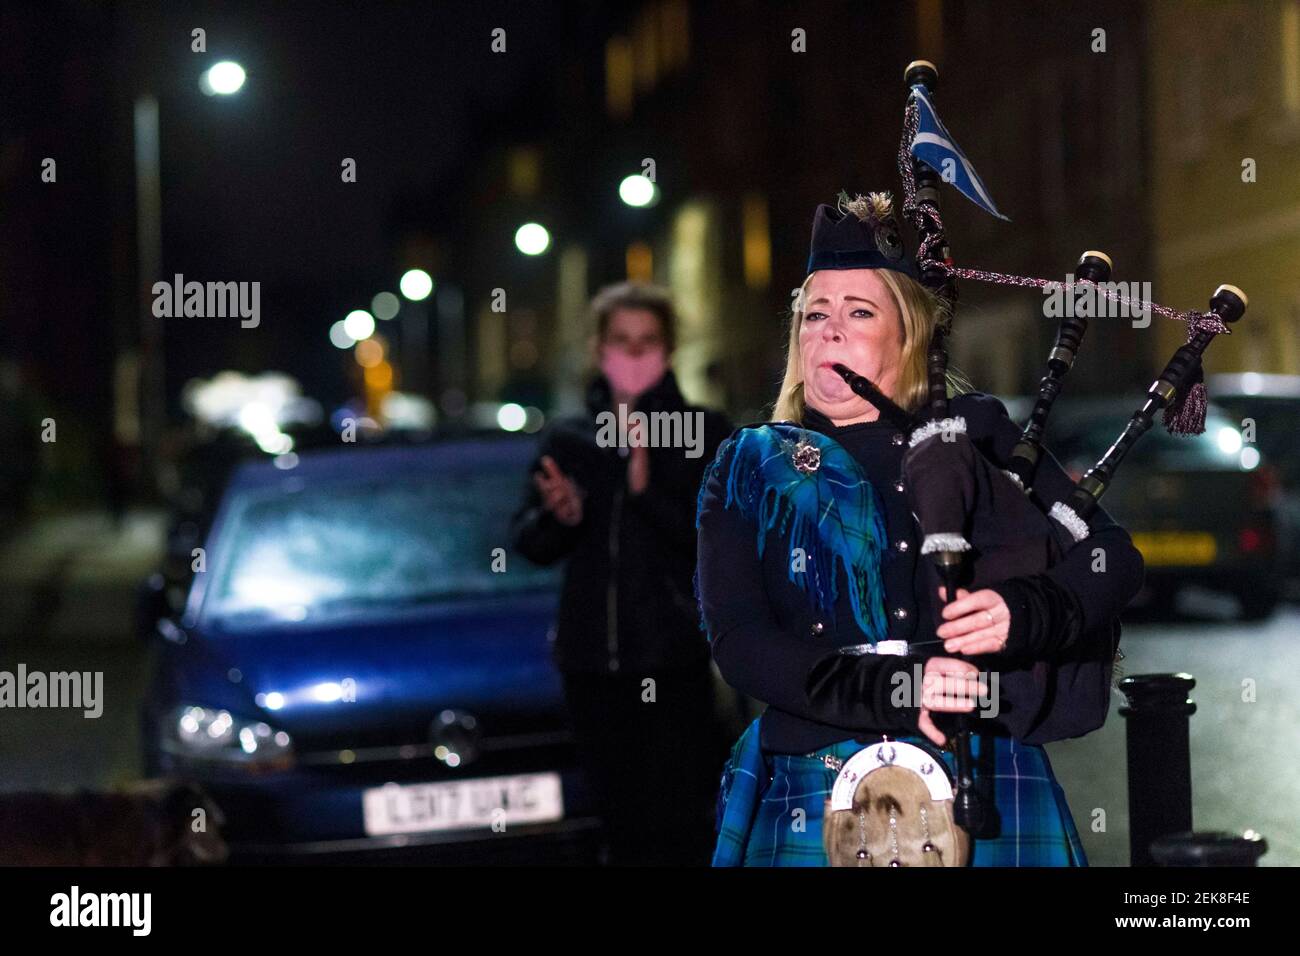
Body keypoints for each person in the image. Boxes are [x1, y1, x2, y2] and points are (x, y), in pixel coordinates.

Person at [696, 193, 1144, 866]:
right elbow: (740, 644)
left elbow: (1113, 559)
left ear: (909, 335)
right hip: (814, 785)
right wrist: (899, 691)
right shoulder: (751, 465)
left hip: (982, 776)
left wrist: (1022, 613)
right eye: (815, 313)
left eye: (858, 312)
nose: (829, 329)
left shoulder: (979, 434)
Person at [511, 281, 734, 865]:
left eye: (648, 341)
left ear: (669, 348)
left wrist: (644, 489)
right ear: (598, 348)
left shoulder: (702, 432)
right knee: (617, 821)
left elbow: (718, 543)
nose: (633, 355)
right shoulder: (570, 437)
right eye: (620, 341)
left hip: (672, 661)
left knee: (679, 820)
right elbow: (527, 542)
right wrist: (562, 517)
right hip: (590, 667)